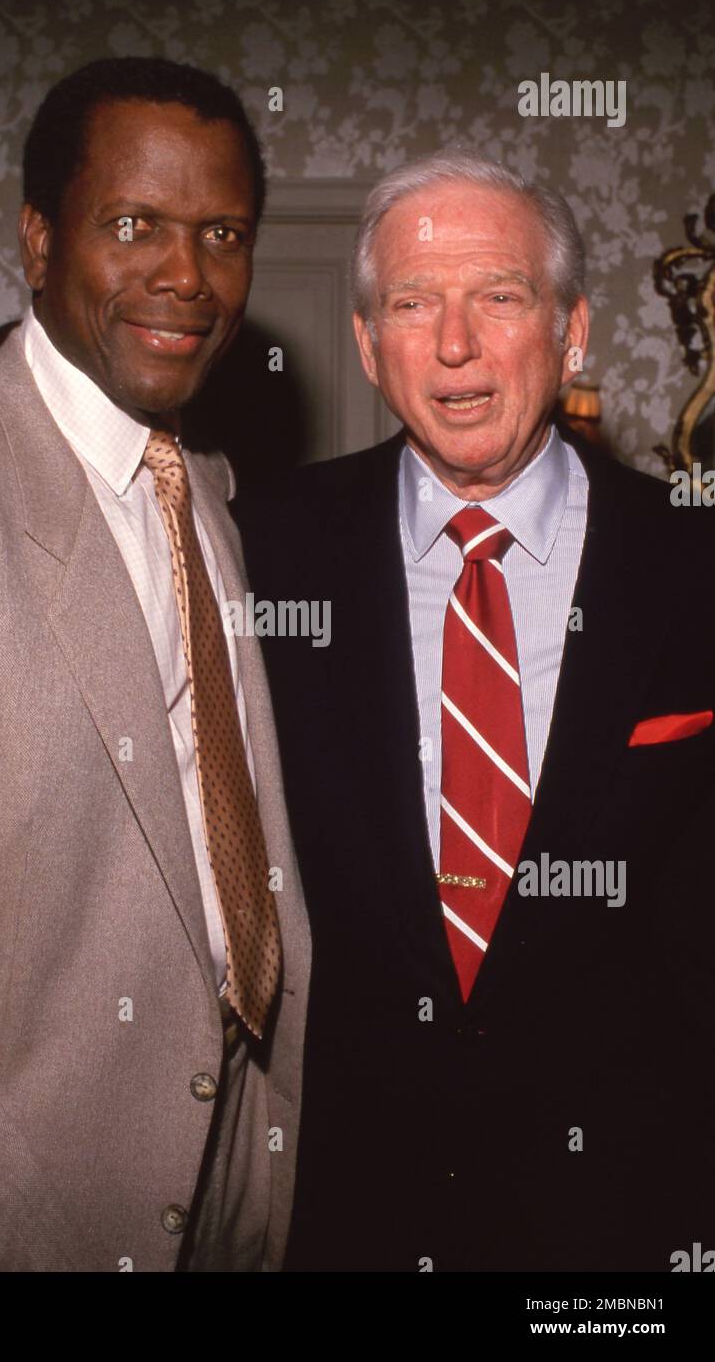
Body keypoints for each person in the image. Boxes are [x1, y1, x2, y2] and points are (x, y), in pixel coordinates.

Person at [0, 56, 309, 1272]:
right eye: (134, 224)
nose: (188, 276)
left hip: (238, 1190)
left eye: (222, 233)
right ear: (40, 243)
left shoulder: (203, 487)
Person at [231, 150, 714, 1272]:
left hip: (626, 1219)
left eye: (498, 296)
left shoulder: (694, 567)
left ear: (572, 329)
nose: (454, 344)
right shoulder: (262, 549)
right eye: (412, 303)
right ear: (366, 344)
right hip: (348, 1207)